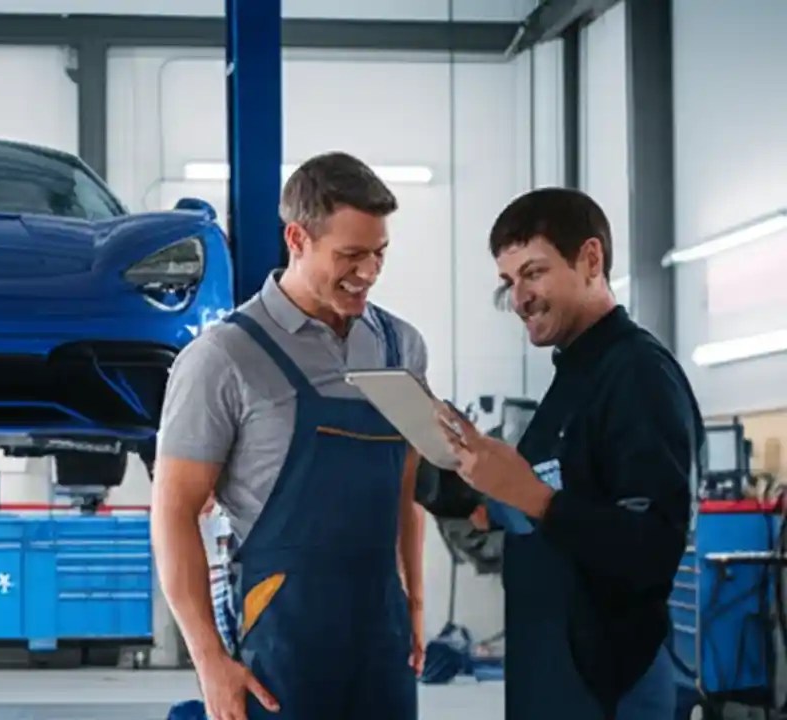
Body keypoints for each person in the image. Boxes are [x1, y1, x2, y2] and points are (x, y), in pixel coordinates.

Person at [152, 151, 429, 720]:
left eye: (379, 254)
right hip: (279, 638)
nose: (369, 272)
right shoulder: (224, 357)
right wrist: (209, 661)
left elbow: (405, 487)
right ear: (298, 238)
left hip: (383, 633)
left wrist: (415, 603)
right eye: (350, 255)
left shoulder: (403, 348)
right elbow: (173, 511)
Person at [434, 187, 703, 720]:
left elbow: (651, 548)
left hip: (610, 683)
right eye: (509, 283)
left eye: (533, 273)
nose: (519, 299)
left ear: (591, 260)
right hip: (550, 673)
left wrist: (532, 496)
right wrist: (469, 479)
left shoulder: (636, 375)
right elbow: (548, 508)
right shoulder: (572, 379)